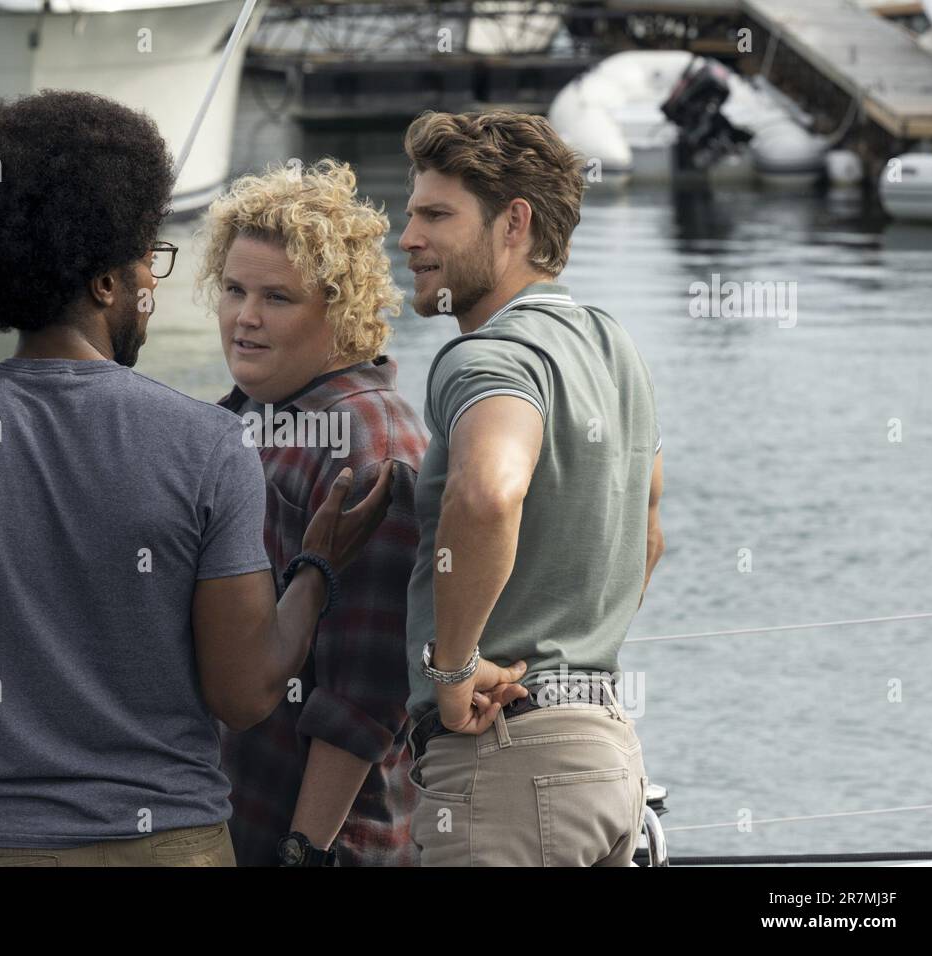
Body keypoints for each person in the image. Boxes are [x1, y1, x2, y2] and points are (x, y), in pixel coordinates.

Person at [0, 90, 393, 867]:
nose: (154, 289)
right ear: (107, 284)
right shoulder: (208, 443)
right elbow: (245, 694)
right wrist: (316, 571)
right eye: (149, 263)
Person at [398, 110, 666, 866]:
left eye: (435, 215)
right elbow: (648, 533)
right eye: (411, 213)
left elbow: (488, 493)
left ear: (513, 223)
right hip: (605, 754)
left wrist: (451, 670)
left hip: (508, 762)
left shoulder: (488, 356)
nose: (408, 238)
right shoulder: (616, 348)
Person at [197, 159, 428, 866]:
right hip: (228, 815)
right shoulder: (247, 418)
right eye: (233, 290)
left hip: (327, 843)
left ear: (342, 307)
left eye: (278, 298)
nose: (246, 317)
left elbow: (368, 692)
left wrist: (304, 849)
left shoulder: (369, 443)